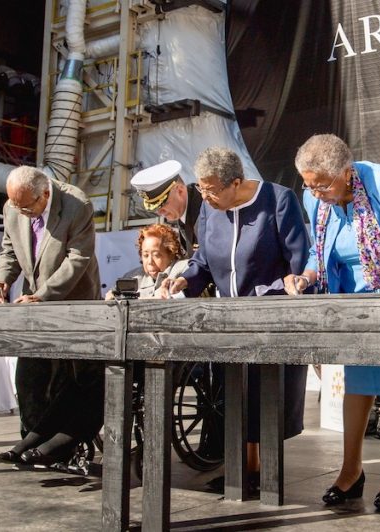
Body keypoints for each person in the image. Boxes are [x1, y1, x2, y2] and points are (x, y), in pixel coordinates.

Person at [284, 133, 380, 511]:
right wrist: (304, 276)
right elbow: (321, 252)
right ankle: (350, 470)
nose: (315, 193)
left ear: (345, 172)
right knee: (357, 381)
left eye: (321, 185)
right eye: (309, 185)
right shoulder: (314, 197)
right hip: (353, 302)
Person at [162, 146, 309, 488]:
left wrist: (272, 291)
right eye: (201, 190)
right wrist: (186, 278)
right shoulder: (210, 212)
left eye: (212, 190)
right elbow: (204, 263)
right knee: (235, 396)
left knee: (265, 397)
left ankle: (265, 472)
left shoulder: (278, 200)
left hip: (269, 320)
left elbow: (298, 264)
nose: (206, 198)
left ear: (236, 182)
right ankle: (245, 469)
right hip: (227, 324)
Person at [0, 166, 102, 466]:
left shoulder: (77, 204)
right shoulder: (14, 206)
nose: (21, 212)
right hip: (33, 306)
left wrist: (43, 295)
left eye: (27, 207)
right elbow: (9, 249)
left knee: (68, 380)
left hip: (72, 303)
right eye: (16, 206)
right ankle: (31, 439)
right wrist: (2, 278)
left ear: (46, 194)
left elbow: (78, 259)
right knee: (30, 376)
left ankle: (59, 446)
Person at [130, 159, 202, 257]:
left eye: (162, 204)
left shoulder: (205, 209)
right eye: (154, 208)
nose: (159, 212)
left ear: (180, 191)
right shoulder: (183, 211)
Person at [105, 223, 188, 301]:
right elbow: (112, 296)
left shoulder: (185, 269)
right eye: (145, 255)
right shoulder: (132, 277)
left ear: (171, 254)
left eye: (156, 255)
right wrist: (111, 297)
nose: (150, 262)